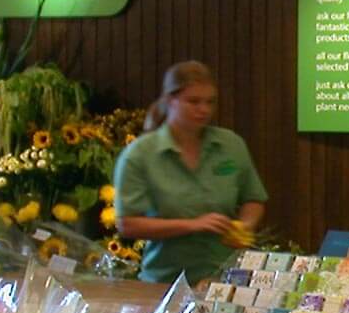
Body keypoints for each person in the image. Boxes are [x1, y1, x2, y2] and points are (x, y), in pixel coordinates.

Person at [112, 61, 267, 285]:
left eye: (210, 102)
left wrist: (246, 225)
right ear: (169, 101)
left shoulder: (231, 145)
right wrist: (193, 225)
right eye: (193, 101)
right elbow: (127, 224)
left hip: (224, 281)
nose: (204, 110)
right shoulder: (140, 154)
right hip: (164, 282)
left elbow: (253, 198)